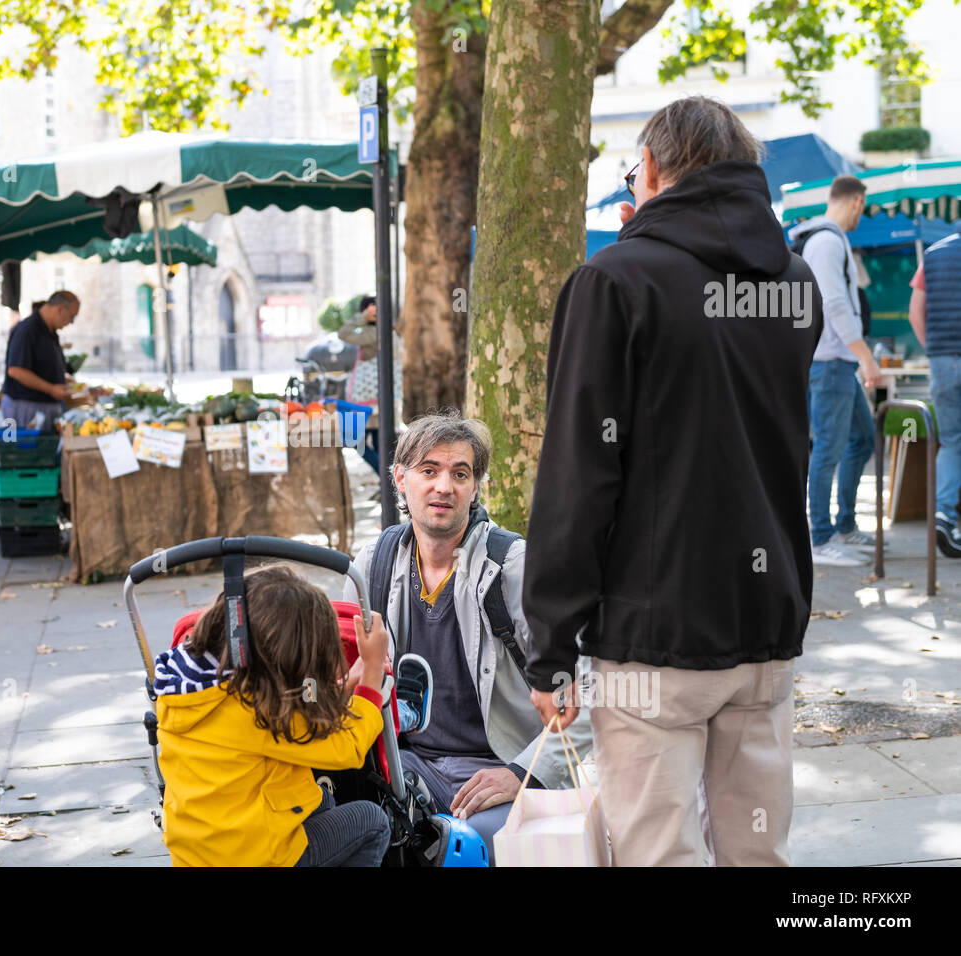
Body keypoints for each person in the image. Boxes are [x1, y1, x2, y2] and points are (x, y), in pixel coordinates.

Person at [521, 96, 823, 867]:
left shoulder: (616, 280)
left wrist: (551, 645)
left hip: (655, 634)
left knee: (660, 852)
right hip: (767, 619)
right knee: (761, 851)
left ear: (651, 169)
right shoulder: (794, 282)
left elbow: (577, 475)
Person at [342, 411, 592, 864]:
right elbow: (341, 677)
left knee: (463, 849)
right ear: (400, 478)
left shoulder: (514, 567)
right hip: (405, 767)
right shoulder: (373, 564)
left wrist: (524, 773)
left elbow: (593, 686)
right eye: (429, 470)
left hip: (497, 769)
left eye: (460, 474)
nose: (444, 487)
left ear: (475, 487)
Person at [154, 565, 391, 867]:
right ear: (283, 658)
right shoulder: (262, 711)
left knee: (322, 800)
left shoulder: (194, 685)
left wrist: (342, 689)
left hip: (200, 851)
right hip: (256, 858)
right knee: (371, 821)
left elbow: (302, 705)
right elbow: (350, 747)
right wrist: (371, 675)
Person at [791, 174, 885, 566]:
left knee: (862, 441)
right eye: (863, 210)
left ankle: (844, 525)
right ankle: (820, 537)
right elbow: (833, 304)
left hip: (836, 364)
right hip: (830, 362)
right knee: (827, 450)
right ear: (857, 203)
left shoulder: (828, 240)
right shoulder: (828, 242)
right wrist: (866, 356)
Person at [907, 228, 961, 556]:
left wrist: (935, 351)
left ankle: (944, 515)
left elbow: (915, 313)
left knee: (952, 441)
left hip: (942, 360)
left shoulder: (933, 254)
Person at [337, 294, 402, 476]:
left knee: (354, 439)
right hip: (381, 398)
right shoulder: (390, 331)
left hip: (369, 402)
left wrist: (362, 318)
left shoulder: (374, 333)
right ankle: (388, 484)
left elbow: (343, 334)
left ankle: (388, 481)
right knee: (379, 443)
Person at [1, 291, 79, 432]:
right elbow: (15, 370)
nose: (72, 321)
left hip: (44, 408)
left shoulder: (50, 331)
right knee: (21, 452)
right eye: (72, 316)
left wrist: (62, 380)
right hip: (24, 410)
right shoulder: (27, 329)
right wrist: (51, 388)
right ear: (60, 309)